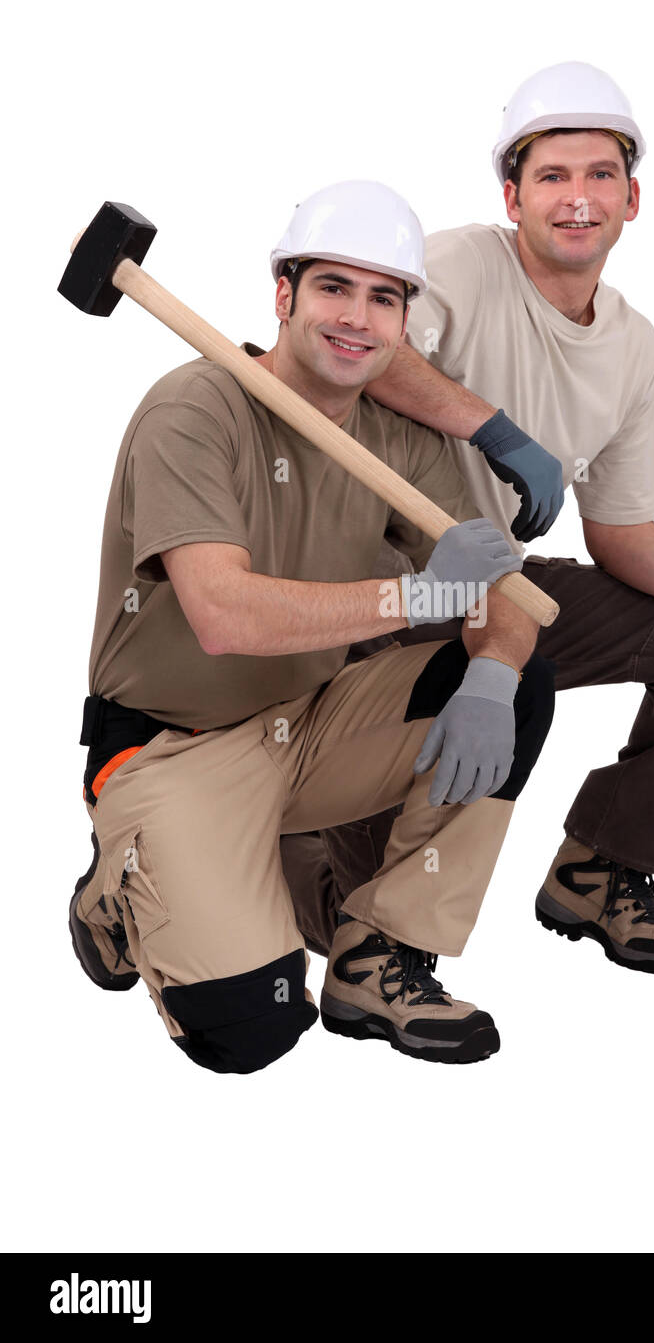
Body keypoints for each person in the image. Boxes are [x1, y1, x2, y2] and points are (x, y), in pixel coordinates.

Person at [283, 64, 654, 979]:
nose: (578, 198)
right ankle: (268, 858)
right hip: (381, 592)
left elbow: (621, 529)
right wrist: (490, 426)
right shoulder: (454, 264)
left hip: (501, 594)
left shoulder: (633, 343)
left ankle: (603, 868)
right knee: (344, 921)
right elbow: (367, 354)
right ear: (512, 195)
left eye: (600, 174)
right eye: (553, 177)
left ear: (632, 197)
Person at [68, 180, 555, 1072]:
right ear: (285, 295)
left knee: (509, 682)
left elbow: (507, 602)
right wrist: (414, 597)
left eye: (384, 297)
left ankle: (383, 952)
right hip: (170, 751)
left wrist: (491, 671)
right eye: (334, 287)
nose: (357, 318)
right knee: (251, 1029)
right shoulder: (196, 409)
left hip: (309, 730)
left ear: (404, 323)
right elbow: (221, 613)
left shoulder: (401, 442)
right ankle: (115, 893)